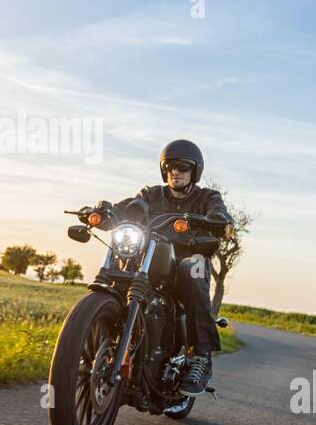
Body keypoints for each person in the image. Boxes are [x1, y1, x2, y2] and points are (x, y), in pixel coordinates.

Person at [95, 139, 232, 395]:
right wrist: (105, 213)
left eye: (182, 166)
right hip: (149, 259)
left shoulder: (207, 197)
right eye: (170, 166)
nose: (175, 172)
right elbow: (128, 208)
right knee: (121, 259)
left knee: (195, 267)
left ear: (195, 171)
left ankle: (200, 355)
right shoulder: (151, 195)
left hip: (184, 262)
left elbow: (220, 215)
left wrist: (219, 221)